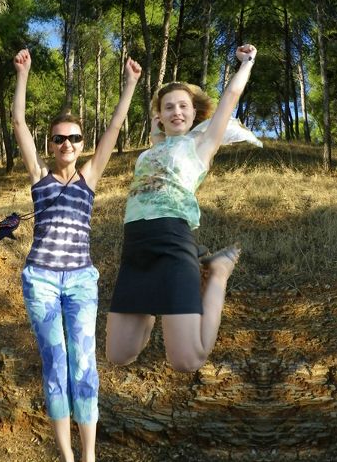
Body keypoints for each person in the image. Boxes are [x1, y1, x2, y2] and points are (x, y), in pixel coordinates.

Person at [12, 48, 142, 462]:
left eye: (74, 138)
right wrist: (23, 75)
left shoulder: (89, 178)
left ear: (82, 144)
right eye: (59, 139)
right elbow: (19, 123)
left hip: (81, 282)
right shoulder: (39, 178)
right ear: (50, 145)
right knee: (56, 368)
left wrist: (129, 86)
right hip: (42, 281)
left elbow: (114, 128)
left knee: (84, 367)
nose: (66, 143)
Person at [106, 44, 258, 373]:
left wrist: (247, 63)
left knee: (187, 361)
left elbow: (230, 97)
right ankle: (157, 303)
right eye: (168, 107)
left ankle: (216, 273)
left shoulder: (201, 144)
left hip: (172, 239)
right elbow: (157, 141)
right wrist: (141, 100)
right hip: (135, 246)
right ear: (159, 116)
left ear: (193, 113)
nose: (176, 111)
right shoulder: (151, 150)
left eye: (183, 106)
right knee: (119, 354)